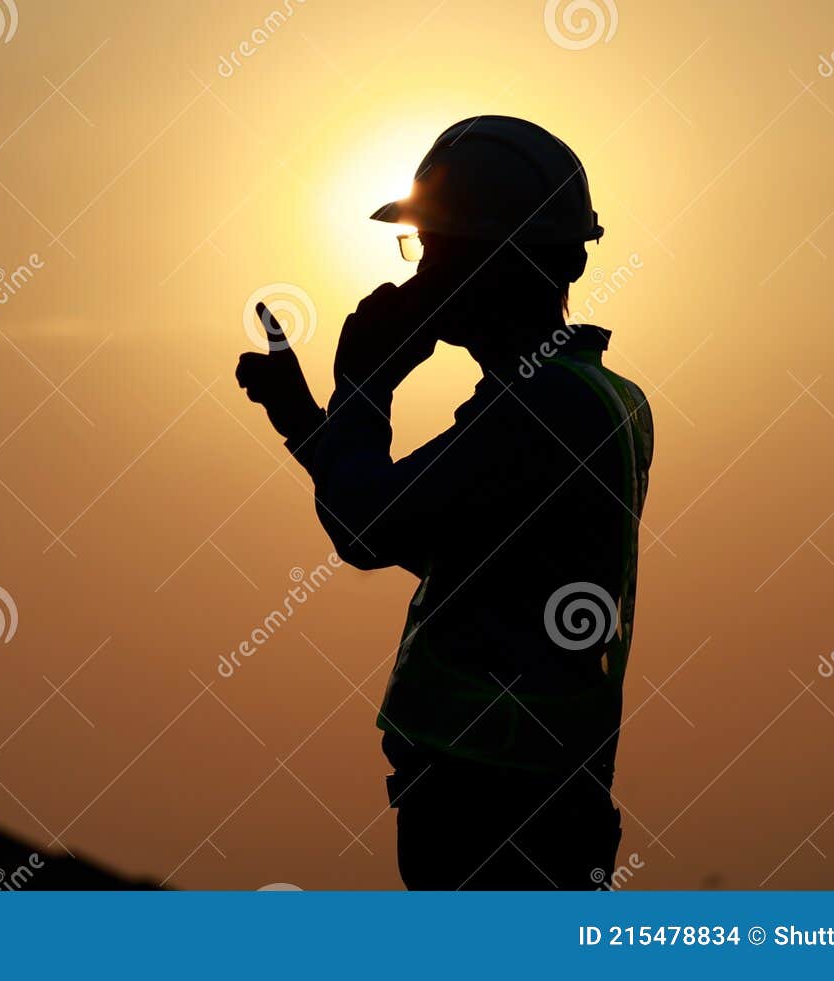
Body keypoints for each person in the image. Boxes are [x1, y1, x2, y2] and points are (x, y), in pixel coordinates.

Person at [236, 116, 653, 889]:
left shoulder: (540, 411)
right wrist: (309, 427)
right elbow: (428, 537)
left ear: (492, 263)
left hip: (496, 818)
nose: (418, 271)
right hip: (522, 807)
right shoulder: (587, 397)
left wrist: (366, 383)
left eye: (433, 245)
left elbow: (366, 529)